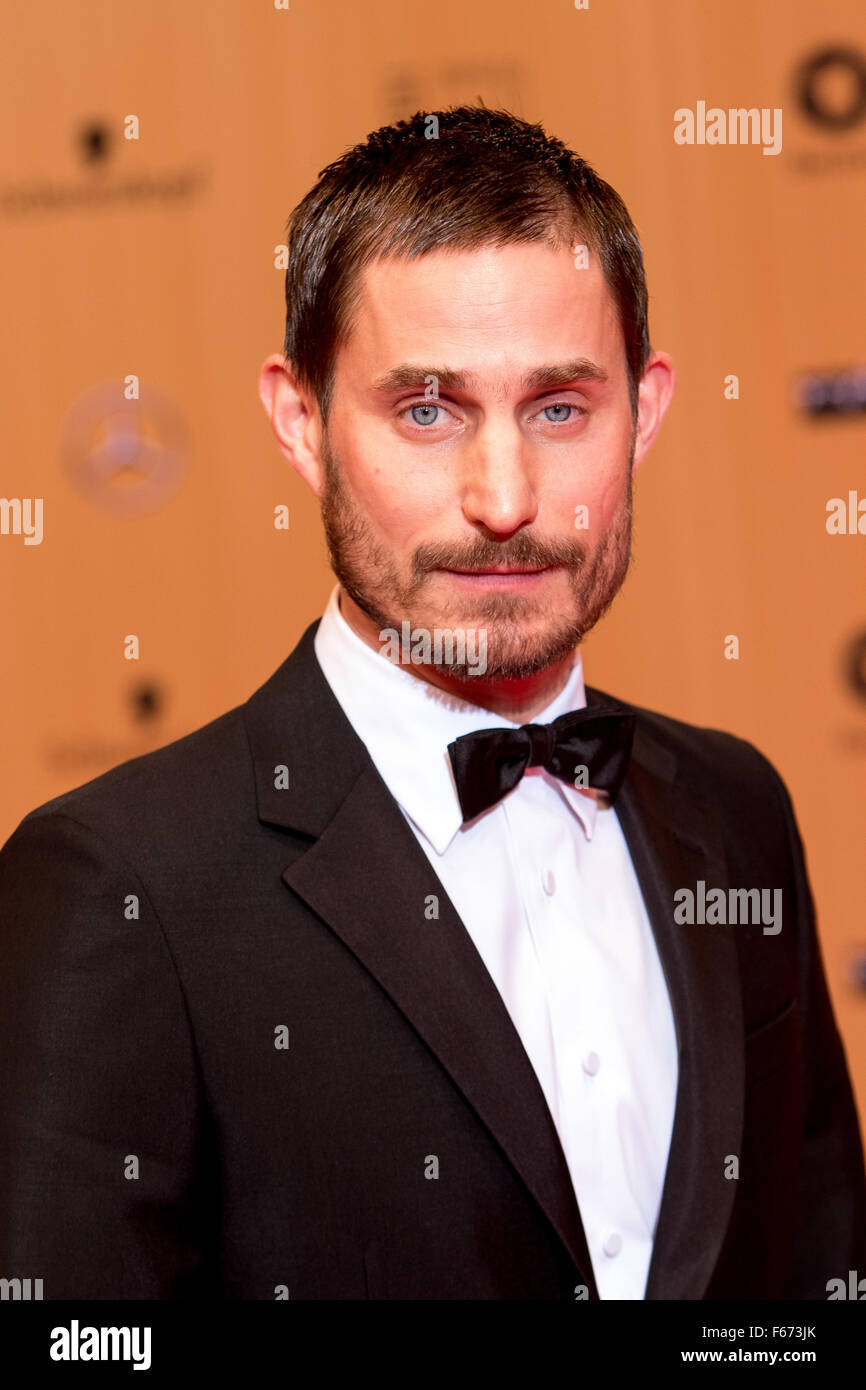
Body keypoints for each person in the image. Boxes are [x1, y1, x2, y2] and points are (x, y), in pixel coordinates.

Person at [1, 105, 863, 1301]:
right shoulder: (125, 884)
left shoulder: (734, 806)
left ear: (645, 411)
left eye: (559, 407)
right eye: (425, 410)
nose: (502, 496)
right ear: (300, 423)